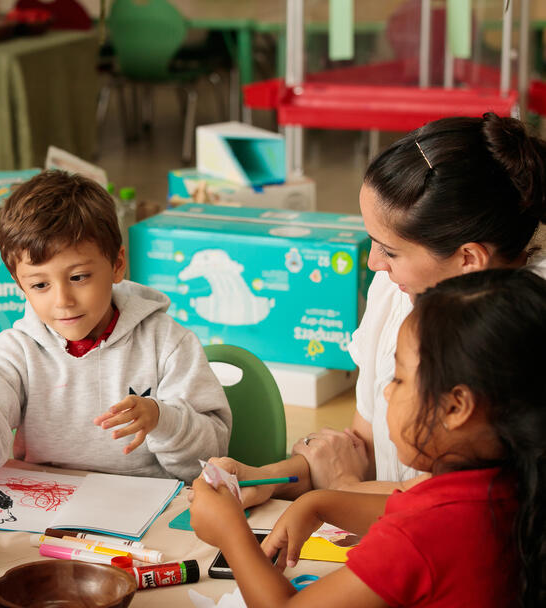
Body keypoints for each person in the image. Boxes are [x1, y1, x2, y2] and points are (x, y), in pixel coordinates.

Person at [190, 268, 546, 608]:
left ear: (456, 407)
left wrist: (232, 533)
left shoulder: (425, 531)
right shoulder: (508, 483)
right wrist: (318, 502)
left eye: (397, 378)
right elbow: (405, 508)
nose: (385, 391)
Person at [212, 113, 546, 507]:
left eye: (389, 250)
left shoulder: (524, 332)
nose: (372, 263)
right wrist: (269, 478)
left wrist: (344, 486)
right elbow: (363, 450)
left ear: (469, 260)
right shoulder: (395, 290)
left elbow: (467, 510)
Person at [0, 170, 231, 481]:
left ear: (117, 264)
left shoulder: (167, 343)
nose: (63, 300)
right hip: (48, 511)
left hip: (150, 509)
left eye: (78, 277)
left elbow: (210, 456)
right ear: (19, 283)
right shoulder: (13, 351)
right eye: (40, 285)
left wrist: (161, 419)